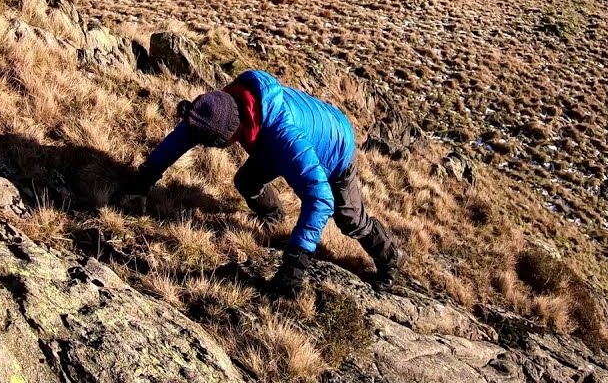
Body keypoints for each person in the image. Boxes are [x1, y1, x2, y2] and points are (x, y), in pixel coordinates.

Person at [122, 69, 404, 298]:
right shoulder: (220, 107)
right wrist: (145, 177)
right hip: (279, 139)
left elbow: (320, 198)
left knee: (349, 218)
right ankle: (274, 218)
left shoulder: (285, 137)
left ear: (234, 133)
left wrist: (296, 264)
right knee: (247, 181)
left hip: (336, 146)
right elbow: (182, 137)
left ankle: (390, 257)